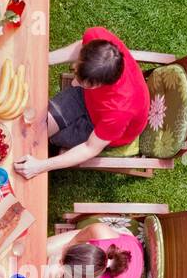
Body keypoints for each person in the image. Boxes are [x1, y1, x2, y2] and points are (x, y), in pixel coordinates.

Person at [14, 26, 149, 179]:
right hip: (86, 98)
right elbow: (81, 46)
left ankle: (55, 145)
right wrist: (44, 60)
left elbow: (89, 148)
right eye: (76, 71)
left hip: (101, 127)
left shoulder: (120, 110)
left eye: (82, 80)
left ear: (99, 85)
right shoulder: (99, 40)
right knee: (38, 126)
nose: (75, 77)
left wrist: (40, 166)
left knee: (46, 138)